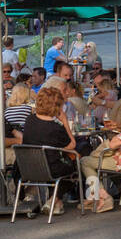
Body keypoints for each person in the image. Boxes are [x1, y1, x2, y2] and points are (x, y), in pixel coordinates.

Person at [19, 85, 80, 215]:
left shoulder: (29, 120)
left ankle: (57, 203)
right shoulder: (54, 128)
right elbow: (72, 144)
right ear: (57, 106)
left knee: (59, 162)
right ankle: (54, 200)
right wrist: (64, 121)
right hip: (50, 168)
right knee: (75, 166)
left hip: (27, 167)